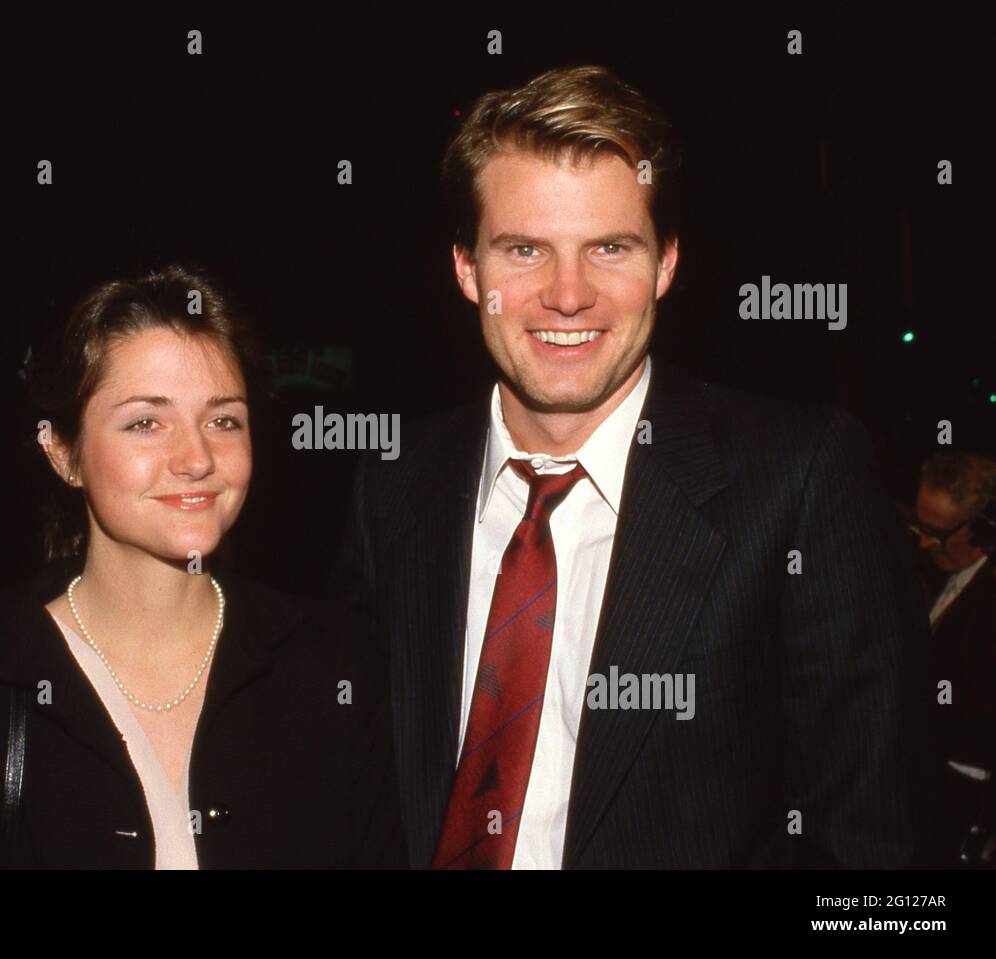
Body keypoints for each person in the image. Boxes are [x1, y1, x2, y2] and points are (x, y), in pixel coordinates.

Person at [334, 64, 932, 868]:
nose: (568, 294)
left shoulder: (800, 479)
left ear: (667, 263)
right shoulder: (394, 488)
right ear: (468, 270)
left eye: (610, 248)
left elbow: (871, 856)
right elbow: (356, 796)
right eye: (524, 249)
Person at [0, 264, 406, 868]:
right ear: (63, 453)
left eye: (223, 420)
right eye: (145, 422)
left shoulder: (337, 676)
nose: (196, 458)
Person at [905, 450, 996, 865]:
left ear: (980, 529)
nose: (923, 543)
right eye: (918, 526)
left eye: (936, 533)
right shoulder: (940, 573)